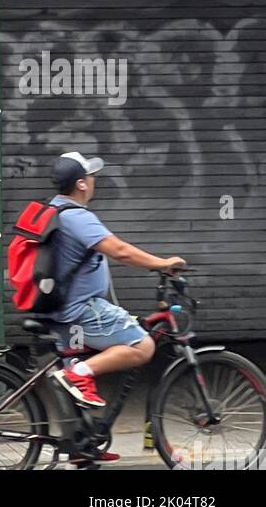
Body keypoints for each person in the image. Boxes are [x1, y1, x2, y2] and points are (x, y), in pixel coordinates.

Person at [45, 151, 186, 409]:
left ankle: (84, 446)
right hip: (80, 310)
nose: (94, 181)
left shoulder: (51, 210)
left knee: (75, 393)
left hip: (57, 308)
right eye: (91, 176)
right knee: (142, 346)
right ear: (81, 184)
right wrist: (163, 264)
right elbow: (121, 252)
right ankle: (78, 373)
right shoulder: (76, 216)